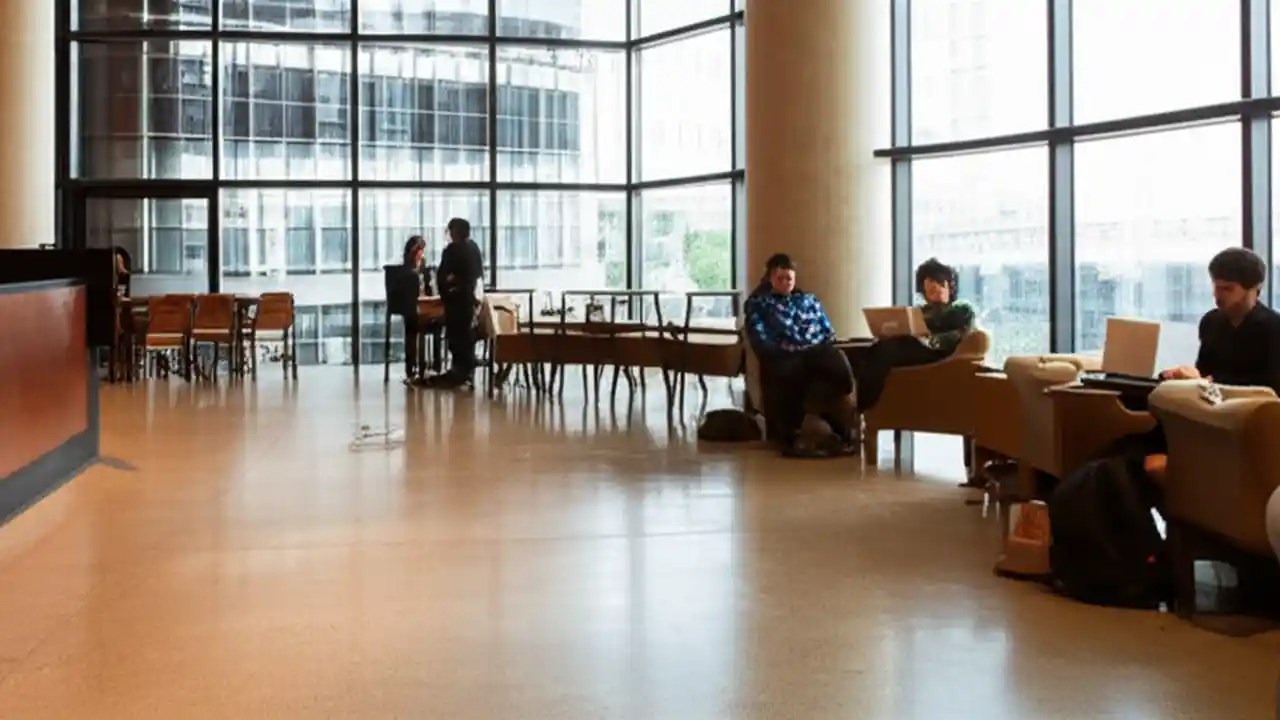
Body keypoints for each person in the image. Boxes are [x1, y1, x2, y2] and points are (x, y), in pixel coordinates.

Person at [744, 254, 855, 448]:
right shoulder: (760, 305)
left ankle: (842, 421)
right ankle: (790, 431)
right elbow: (760, 339)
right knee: (790, 370)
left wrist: (820, 343)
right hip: (784, 354)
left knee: (835, 357)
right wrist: (780, 351)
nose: (786, 283)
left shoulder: (808, 300)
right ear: (770, 279)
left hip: (815, 350)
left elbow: (828, 330)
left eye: (789, 279)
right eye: (780, 278)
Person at [853, 258, 976, 412]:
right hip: (915, 350)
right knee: (864, 350)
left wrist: (926, 333)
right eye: (929, 290)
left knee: (884, 351)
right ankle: (857, 403)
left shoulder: (962, 308)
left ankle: (860, 407)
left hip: (938, 353)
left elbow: (952, 329)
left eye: (940, 284)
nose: (935, 290)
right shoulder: (921, 311)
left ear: (950, 286)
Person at [1159, 247, 1280, 394]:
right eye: (1216, 287)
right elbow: (1204, 372)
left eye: (1228, 289)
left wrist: (1204, 382)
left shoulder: (1274, 328)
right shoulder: (1210, 322)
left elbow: (1269, 390)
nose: (1217, 296)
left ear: (1253, 289)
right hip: (1212, 407)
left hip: (1253, 412)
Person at [430, 218, 485, 389]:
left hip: (455, 300)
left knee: (456, 336)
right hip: (469, 299)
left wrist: (448, 286)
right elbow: (478, 274)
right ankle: (466, 371)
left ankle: (458, 371)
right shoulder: (473, 248)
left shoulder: (452, 250)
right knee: (466, 336)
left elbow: (443, 276)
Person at [400, 236, 427, 384]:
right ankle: (413, 368)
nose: (420, 255)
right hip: (411, 308)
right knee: (412, 324)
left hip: (423, 307)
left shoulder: (423, 271)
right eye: (418, 251)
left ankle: (430, 366)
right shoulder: (407, 273)